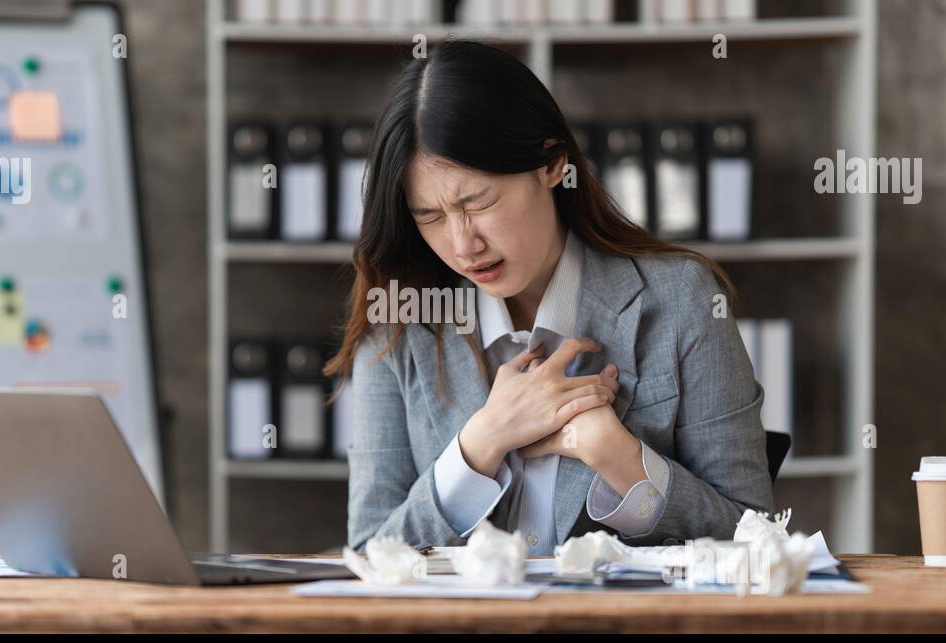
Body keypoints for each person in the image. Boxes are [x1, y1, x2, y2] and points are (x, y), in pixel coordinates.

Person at [324, 40, 773, 553]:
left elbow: (754, 538)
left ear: (552, 165)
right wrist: (481, 444)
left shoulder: (680, 302)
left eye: (480, 202)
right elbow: (369, 556)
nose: (463, 245)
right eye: (430, 217)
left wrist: (616, 455)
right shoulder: (398, 321)